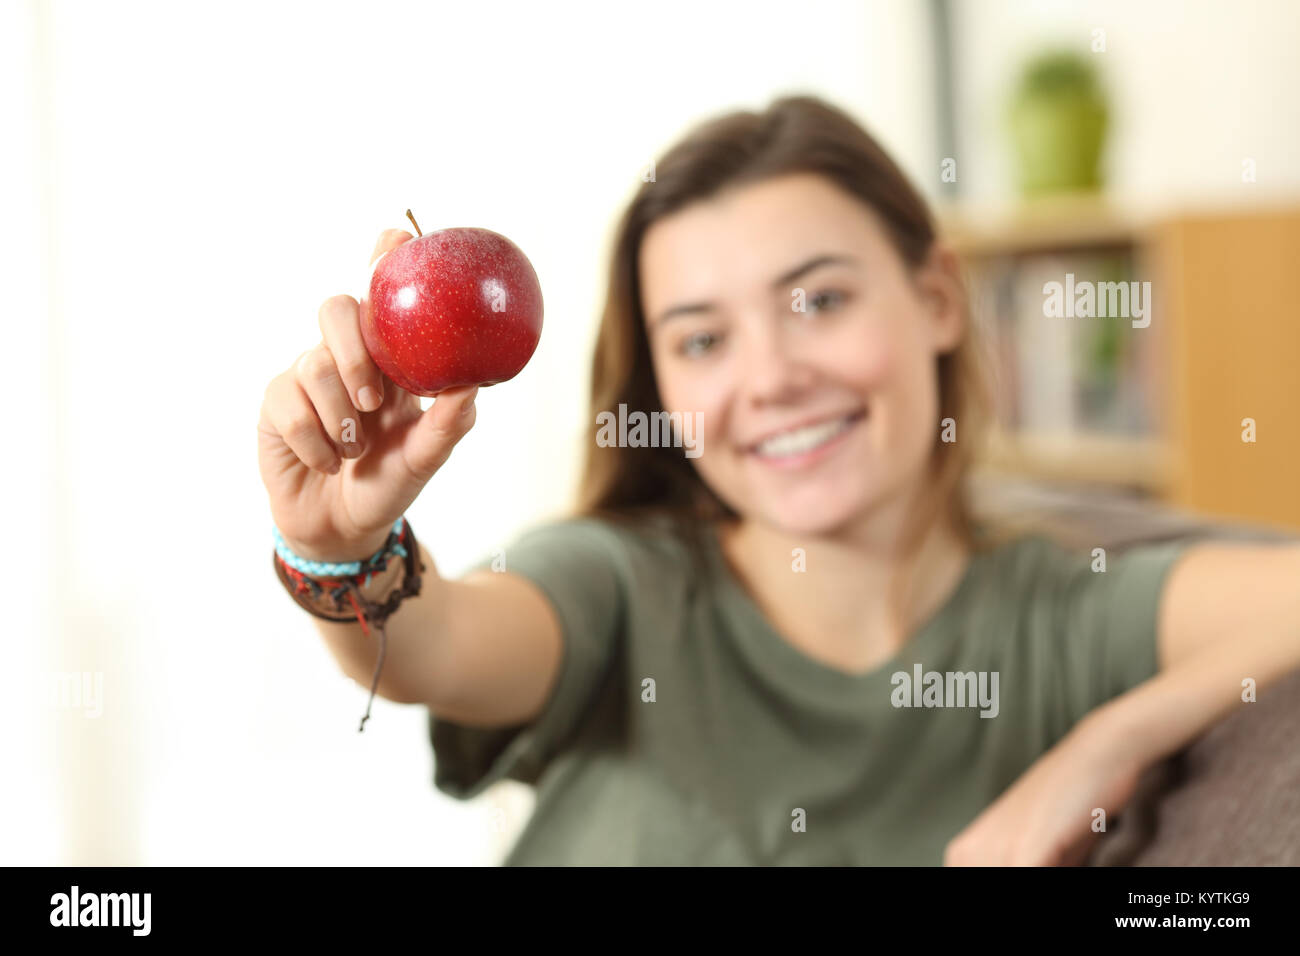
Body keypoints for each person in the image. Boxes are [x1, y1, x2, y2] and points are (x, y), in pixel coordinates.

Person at [257, 95, 1300, 865]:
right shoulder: (616, 584)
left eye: (819, 300)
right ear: (660, 380)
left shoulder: (1058, 614)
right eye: (702, 337)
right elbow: (425, 650)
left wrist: (1106, 740)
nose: (770, 377)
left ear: (936, 297)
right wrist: (340, 549)